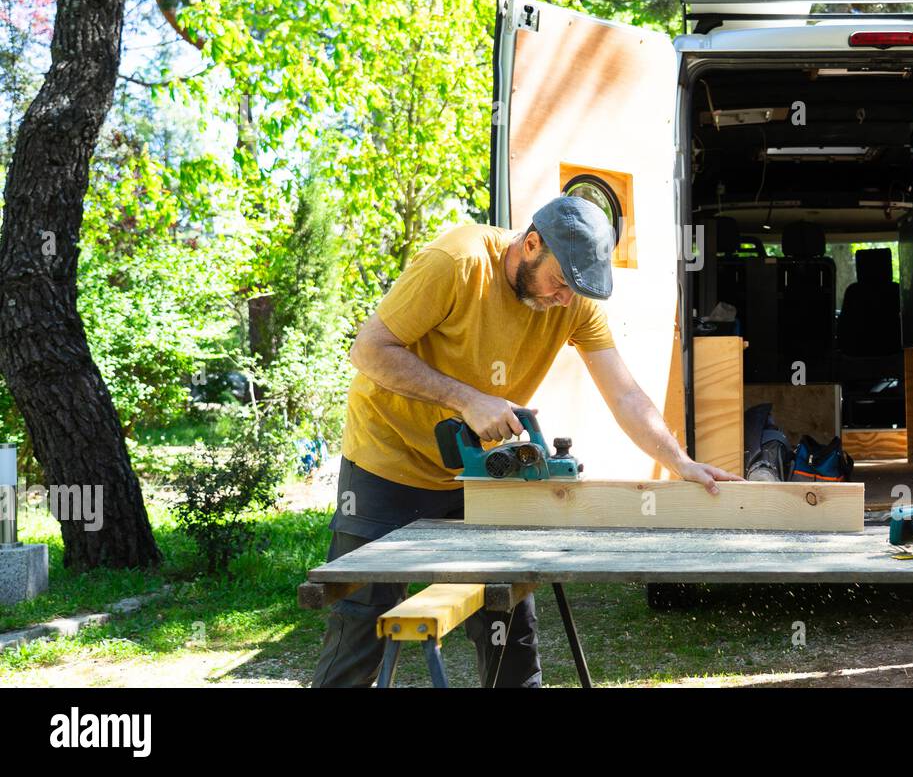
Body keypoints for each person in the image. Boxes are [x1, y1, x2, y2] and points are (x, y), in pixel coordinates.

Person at [312, 195, 741, 687]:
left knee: (507, 622)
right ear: (531, 243)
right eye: (559, 283)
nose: (564, 300)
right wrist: (467, 400)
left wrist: (679, 461)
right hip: (386, 464)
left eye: (574, 291)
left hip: (479, 476)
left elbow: (624, 392)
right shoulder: (457, 262)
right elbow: (369, 350)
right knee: (360, 625)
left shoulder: (572, 302)